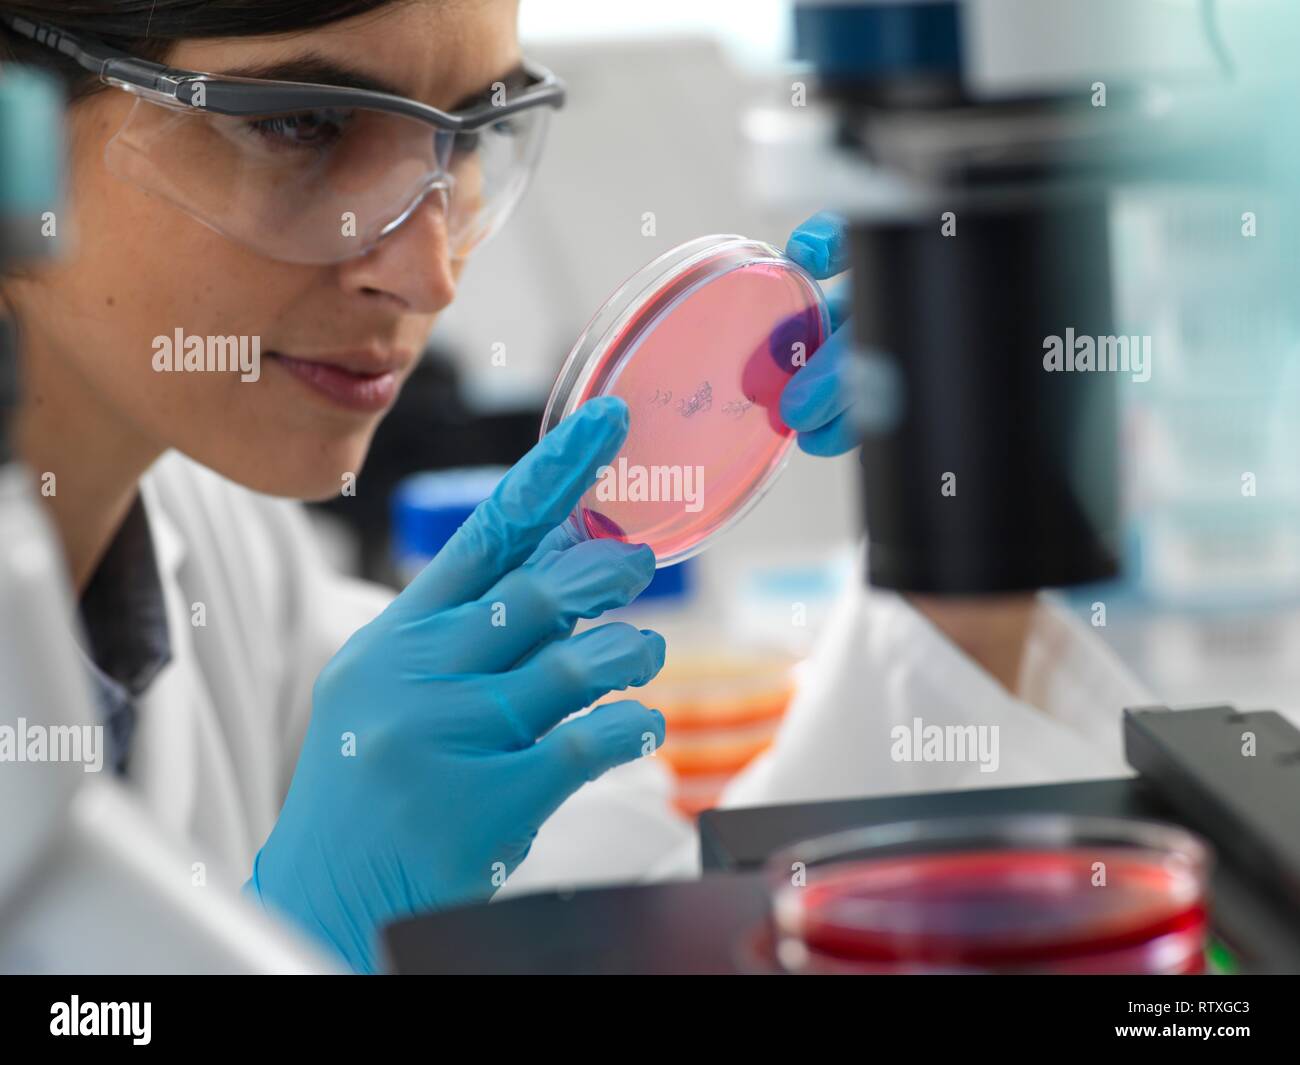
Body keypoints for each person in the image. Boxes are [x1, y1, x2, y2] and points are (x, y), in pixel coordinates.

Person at [0, 1, 860, 972]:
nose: (428, 274)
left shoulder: (230, 552)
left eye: (474, 134)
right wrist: (304, 936)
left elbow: (624, 869)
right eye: (299, 126)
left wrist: (971, 544)